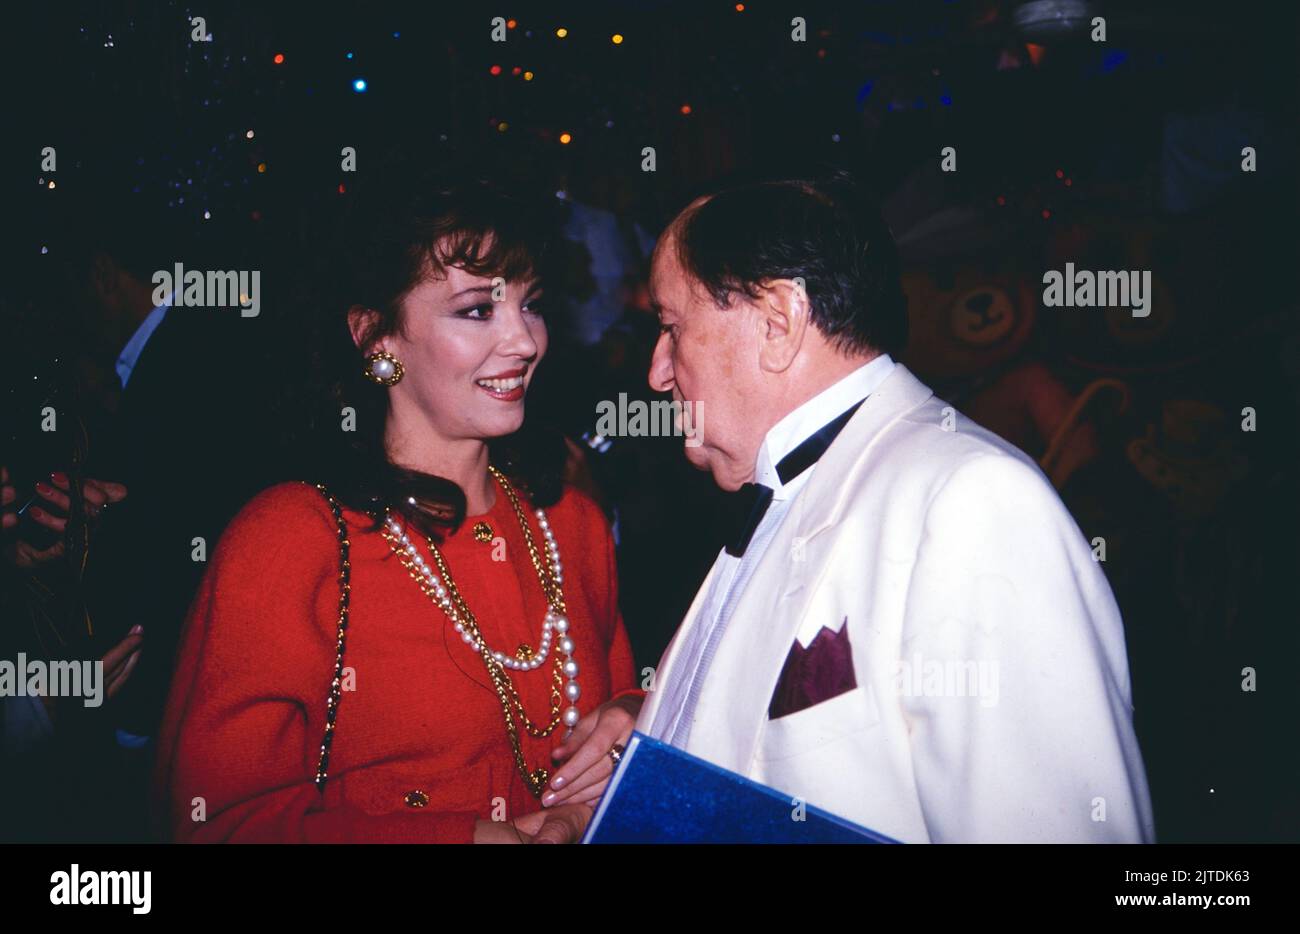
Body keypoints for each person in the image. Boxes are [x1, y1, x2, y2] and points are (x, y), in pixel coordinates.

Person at [548, 170, 1155, 843]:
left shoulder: (971, 500)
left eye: (671, 327)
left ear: (777, 322)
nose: (657, 371)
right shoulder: (782, 492)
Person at [152, 165, 641, 843]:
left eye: (531, 304)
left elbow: (635, 717)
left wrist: (631, 722)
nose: (525, 340)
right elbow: (218, 823)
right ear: (376, 338)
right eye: (478, 310)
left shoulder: (571, 523)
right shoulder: (291, 540)